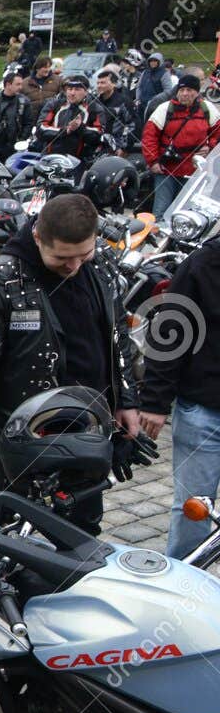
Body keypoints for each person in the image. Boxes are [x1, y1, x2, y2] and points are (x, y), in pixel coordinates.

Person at [0, 194, 139, 533]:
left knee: (83, 532)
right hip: (25, 436)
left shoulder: (102, 262)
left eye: (84, 254)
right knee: (18, 539)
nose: (74, 267)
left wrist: (126, 400)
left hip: (90, 430)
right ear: (37, 236)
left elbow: (117, 334)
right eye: (63, 258)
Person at [140, 235, 220, 555]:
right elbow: (170, 333)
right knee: (192, 508)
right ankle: (183, 584)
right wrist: (155, 402)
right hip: (204, 410)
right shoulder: (203, 264)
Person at [142, 74, 220, 216]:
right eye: (181, 90)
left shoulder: (207, 108)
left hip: (195, 172)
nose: (185, 94)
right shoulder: (165, 109)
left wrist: (210, 147)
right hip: (166, 169)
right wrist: (153, 161)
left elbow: (217, 131)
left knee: (188, 212)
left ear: (197, 92)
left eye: (189, 90)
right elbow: (149, 137)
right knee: (161, 210)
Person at [34, 75, 108, 162]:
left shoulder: (95, 108)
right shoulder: (54, 104)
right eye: (69, 89)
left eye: (77, 89)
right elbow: (40, 129)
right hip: (50, 157)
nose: (72, 93)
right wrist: (66, 130)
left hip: (80, 161)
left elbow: (98, 135)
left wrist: (80, 128)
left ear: (86, 91)